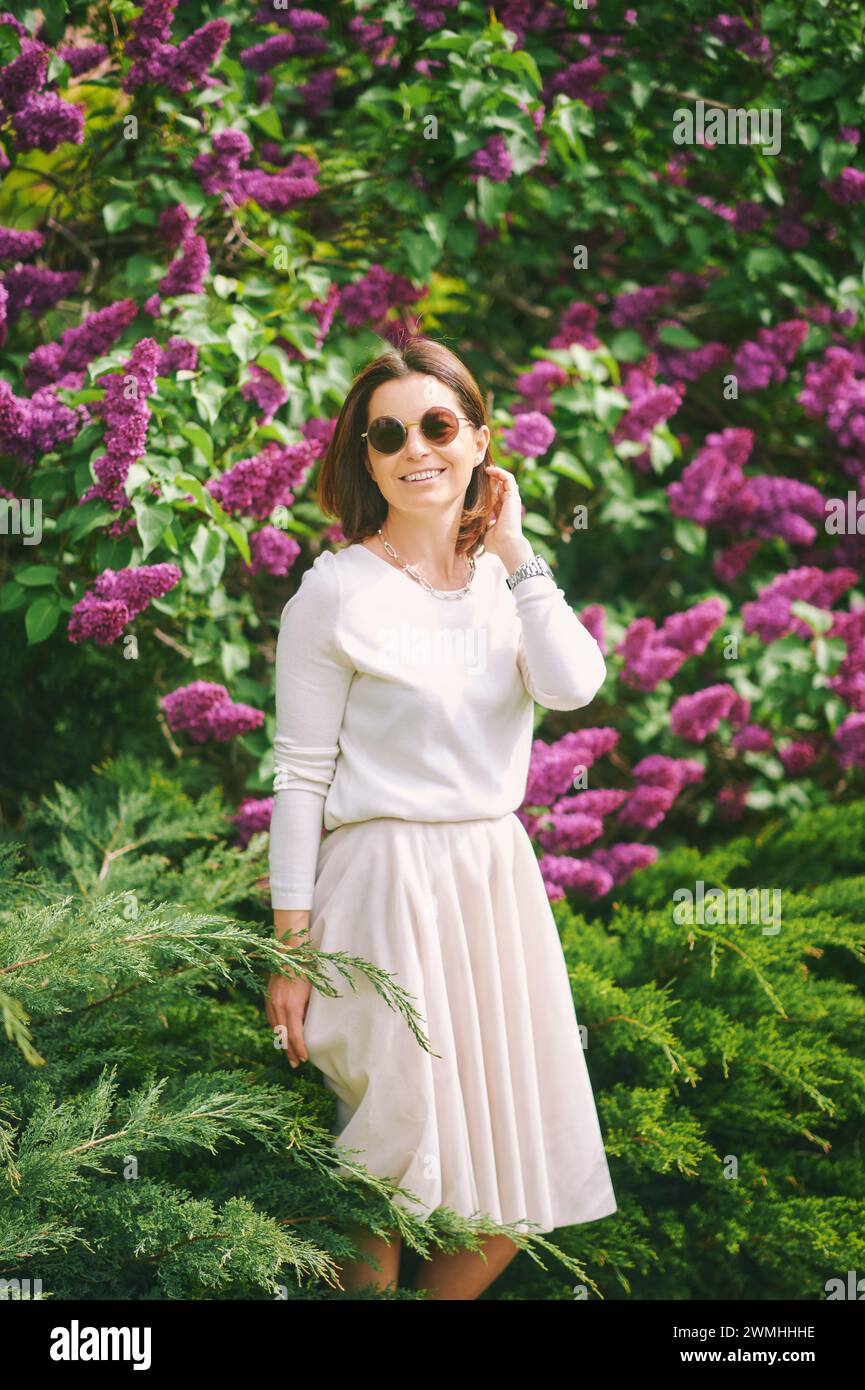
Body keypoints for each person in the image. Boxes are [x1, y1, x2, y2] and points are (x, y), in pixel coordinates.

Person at [265, 336, 617, 1300]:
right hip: (379, 888)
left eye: (436, 424)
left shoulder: (507, 585)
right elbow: (298, 778)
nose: (414, 448)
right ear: (365, 458)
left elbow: (574, 685)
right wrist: (289, 954)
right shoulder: (331, 594)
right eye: (388, 434)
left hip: (493, 886)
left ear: (477, 441)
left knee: (523, 1155)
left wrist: (514, 548)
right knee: (393, 1148)